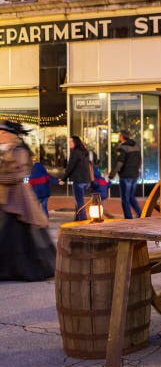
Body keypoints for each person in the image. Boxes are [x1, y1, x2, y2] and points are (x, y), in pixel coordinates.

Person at [0, 120, 55, 281]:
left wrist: (11, 180)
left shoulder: (20, 151)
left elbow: (22, 176)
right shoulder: (5, 151)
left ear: (11, 135)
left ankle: (26, 270)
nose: (0, 136)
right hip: (7, 199)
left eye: (3, 133)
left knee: (19, 236)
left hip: (19, 201)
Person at [109, 130, 143, 219]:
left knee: (125, 198)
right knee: (131, 196)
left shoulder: (122, 148)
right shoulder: (136, 146)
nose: (118, 137)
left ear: (121, 136)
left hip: (126, 175)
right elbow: (140, 160)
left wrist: (112, 175)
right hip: (134, 175)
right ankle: (140, 214)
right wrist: (137, 170)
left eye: (119, 135)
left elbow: (120, 162)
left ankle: (128, 217)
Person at [59, 135, 92, 220]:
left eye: (71, 142)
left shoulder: (75, 152)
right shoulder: (84, 152)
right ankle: (77, 219)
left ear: (76, 143)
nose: (69, 143)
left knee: (79, 202)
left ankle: (83, 219)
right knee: (78, 201)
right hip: (86, 181)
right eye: (69, 141)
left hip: (79, 181)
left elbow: (70, 167)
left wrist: (63, 179)